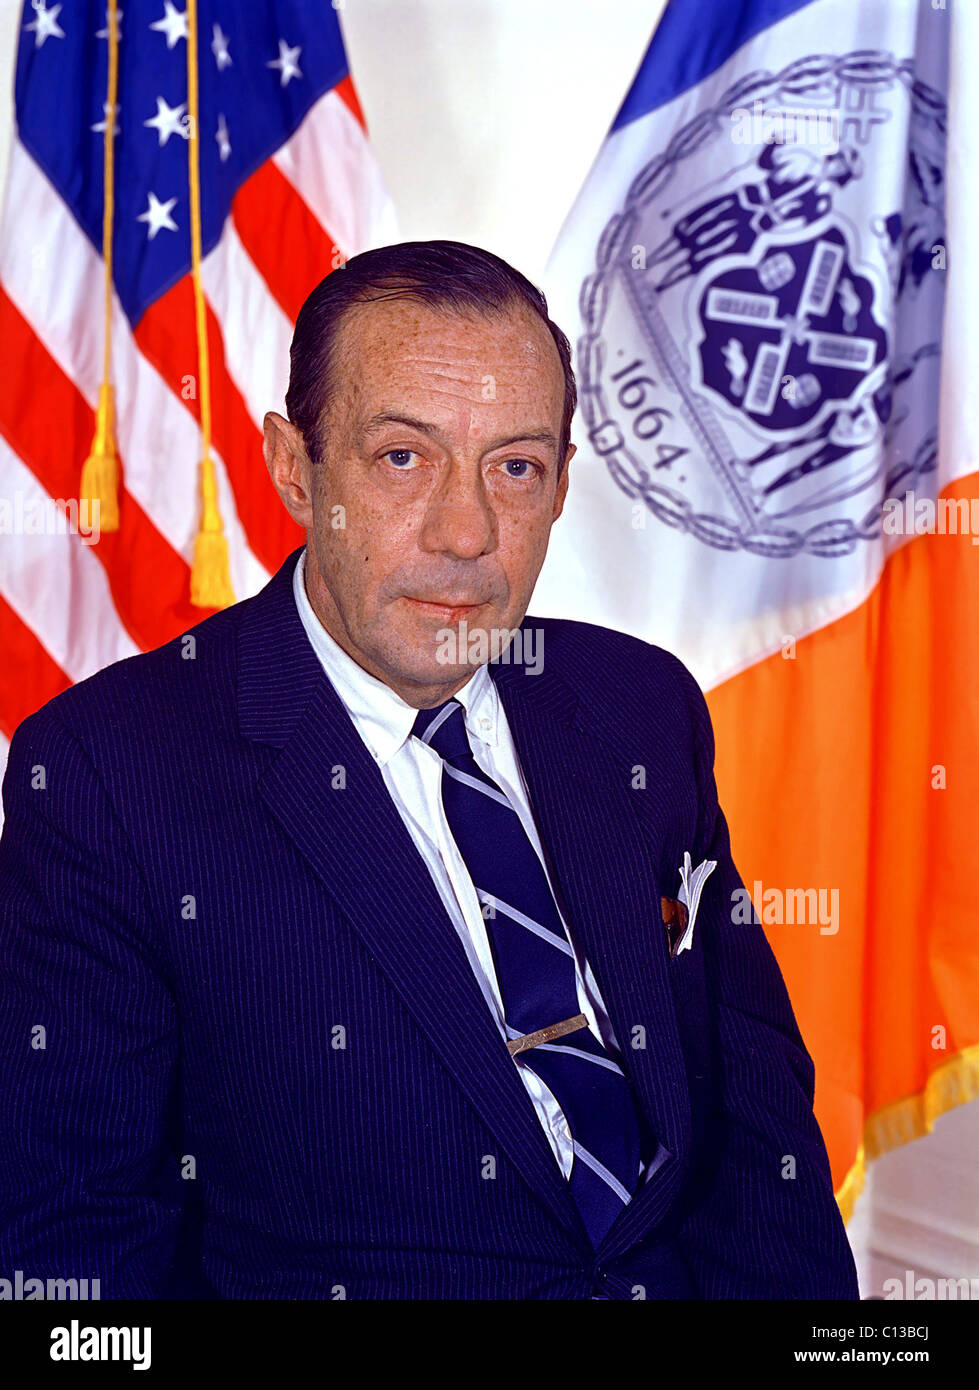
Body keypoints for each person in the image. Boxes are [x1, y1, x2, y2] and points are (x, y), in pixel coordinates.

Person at [0, 241, 859, 1300]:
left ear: (557, 487)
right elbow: (77, 1239)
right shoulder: (109, 773)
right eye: (403, 458)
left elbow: (752, 1116)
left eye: (514, 466)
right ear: (292, 467)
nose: (466, 534)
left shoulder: (639, 707)